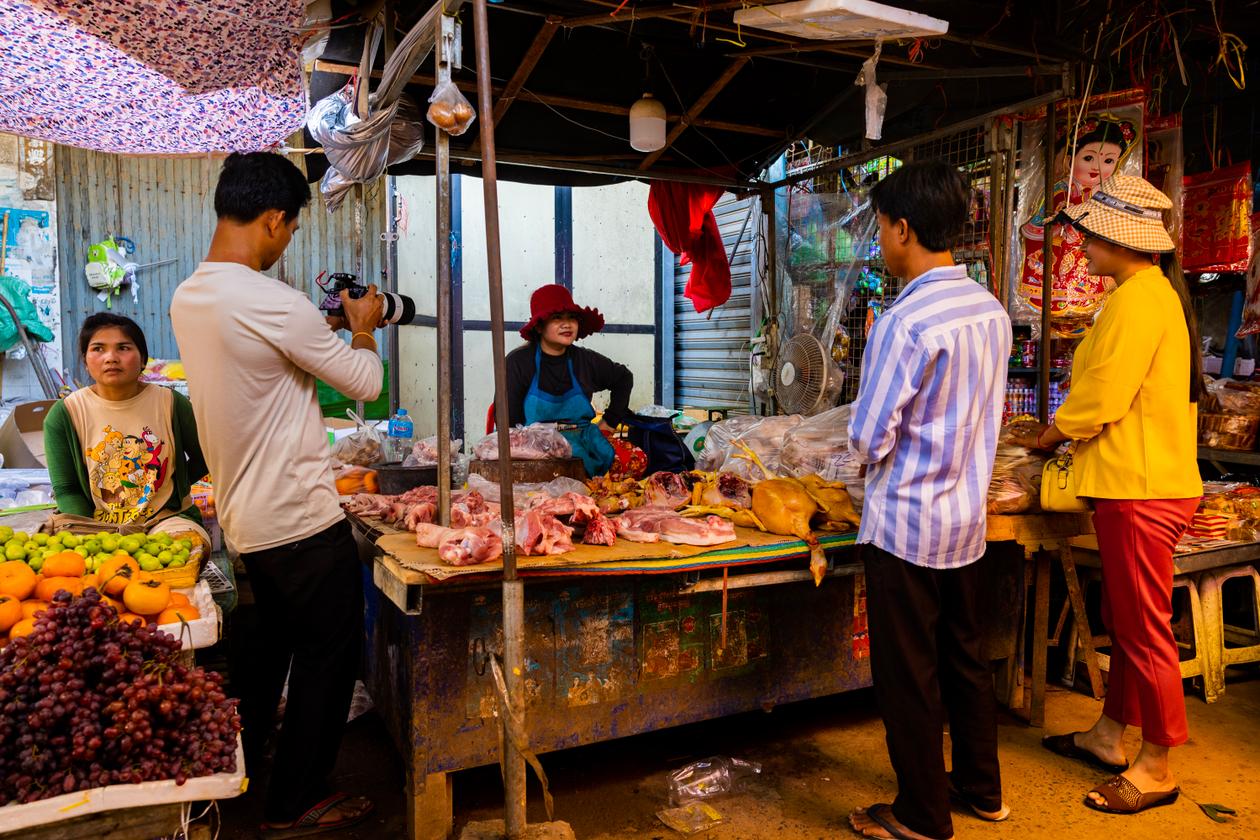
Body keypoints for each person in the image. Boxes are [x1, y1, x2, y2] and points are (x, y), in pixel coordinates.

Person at [170, 152, 384, 836]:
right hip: (300, 521)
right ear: (271, 219)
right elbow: (365, 382)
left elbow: (267, 371)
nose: (288, 240)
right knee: (328, 662)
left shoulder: (191, 295)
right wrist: (363, 325)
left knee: (262, 663)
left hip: (244, 523)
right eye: (290, 229)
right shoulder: (270, 299)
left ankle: (248, 769)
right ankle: (297, 800)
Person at [1009, 174, 1201, 815]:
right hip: (1137, 483)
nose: (1083, 244)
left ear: (1120, 238)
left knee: (1145, 629)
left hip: (1141, 489)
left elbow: (1103, 396)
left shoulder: (1138, 301)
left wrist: (1051, 433)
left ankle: (1157, 763)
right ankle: (1109, 735)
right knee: (1129, 622)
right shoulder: (1145, 295)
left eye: (1090, 233)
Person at [847, 161, 1012, 840]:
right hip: (966, 525)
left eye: (882, 226)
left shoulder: (906, 320)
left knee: (907, 674)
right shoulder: (990, 310)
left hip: (907, 528)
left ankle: (920, 815)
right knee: (963, 658)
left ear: (904, 228)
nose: (881, 240)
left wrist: (854, 455)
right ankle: (981, 789)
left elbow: (867, 434)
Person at [44, 313, 209, 542]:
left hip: (167, 519)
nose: (111, 357)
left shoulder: (171, 404)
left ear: (143, 359)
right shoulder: (65, 413)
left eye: (123, 348)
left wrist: (174, 487)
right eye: (98, 349)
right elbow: (67, 488)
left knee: (186, 549)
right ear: (85, 360)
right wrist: (91, 534)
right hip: (94, 522)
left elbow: (206, 456)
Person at [1018, 115, 1136, 339]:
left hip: (1096, 262)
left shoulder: (1109, 194)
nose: (1097, 167)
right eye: (1089, 157)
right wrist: (1053, 225)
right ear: (1070, 159)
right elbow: (1033, 227)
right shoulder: (1061, 189)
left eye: (1108, 161)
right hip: (1064, 259)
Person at [504, 283, 633, 477]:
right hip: (535, 446)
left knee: (634, 460)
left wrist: (609, 422)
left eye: (571, 317)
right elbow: (509, 423)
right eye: (557, 318)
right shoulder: (519, 362)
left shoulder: (586, 360)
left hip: (583, 439)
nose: (567, 324)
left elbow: (623, 378)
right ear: (539, 326)